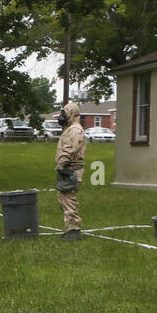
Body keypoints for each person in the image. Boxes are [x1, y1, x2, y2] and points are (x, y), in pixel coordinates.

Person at [55, 101, 85, 240]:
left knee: (68, 198)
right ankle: (69, 229)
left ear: (72, 114)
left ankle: (73, 230)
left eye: (64, 113)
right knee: (64, 198)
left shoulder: (75, 131)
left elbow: (70, 150)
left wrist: (62, 163)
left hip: (70, 169)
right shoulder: (71, 129)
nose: (62, 117)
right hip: (67, 169)